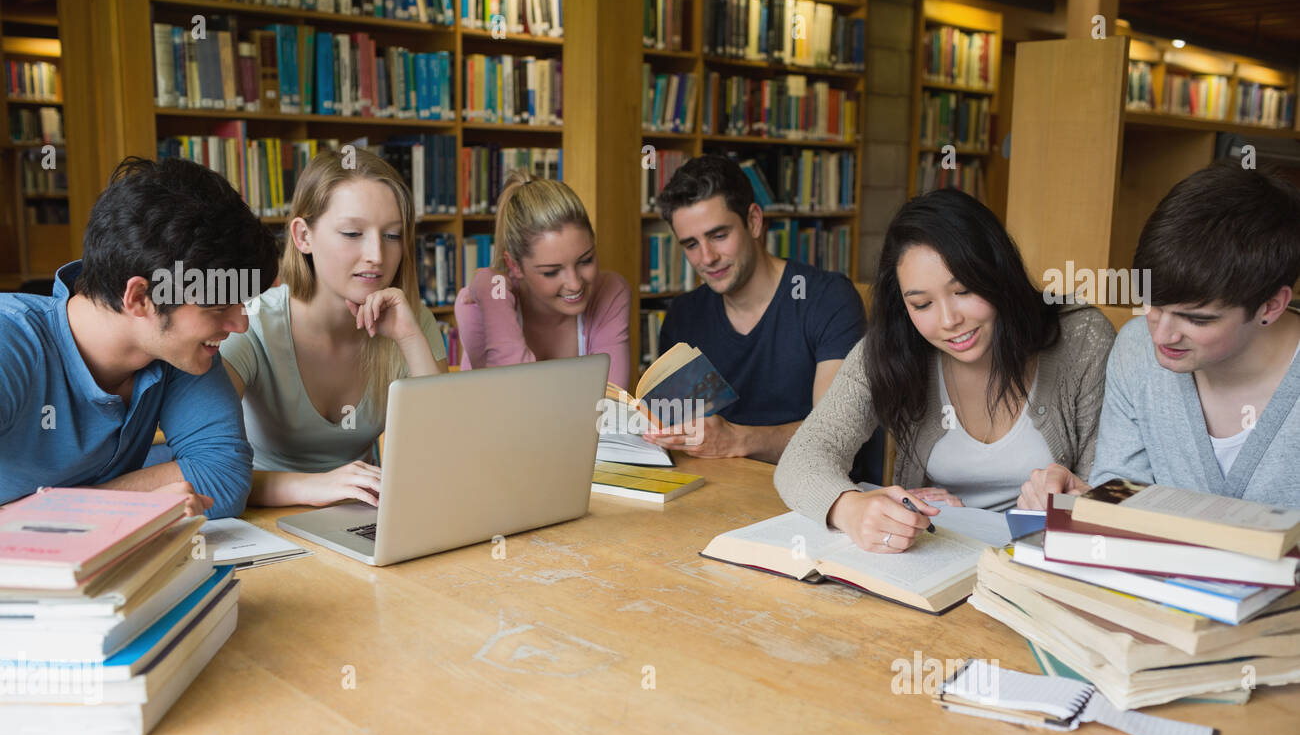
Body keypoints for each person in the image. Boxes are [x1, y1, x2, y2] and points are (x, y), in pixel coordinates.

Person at [774, 187, 1116, 554]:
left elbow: (1118, 491)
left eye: (965, 290)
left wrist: (1081, 499)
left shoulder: (1082, 339)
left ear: (999, 272)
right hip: (937, 560)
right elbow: (804, 456)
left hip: (1046, 567)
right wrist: (849, 507)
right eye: (922, 304)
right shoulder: (889, 348)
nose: (950, 321)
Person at [0, 156, 276, 518]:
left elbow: (223, 478)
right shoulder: (11, 343)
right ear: (140, 298)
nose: (240, 324)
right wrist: (129, 506)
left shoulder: (177, 351)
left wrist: (63, 513)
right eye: (218, 306)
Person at [1020, 162, 1300, 509]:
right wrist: (1086, 499)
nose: (1161, 334)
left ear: (1270, 307)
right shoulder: (1136, 347)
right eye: (1150, 302)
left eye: (1195, 319)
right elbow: (1124, 491)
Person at [222, 149, 449, 508]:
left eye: (391, 235)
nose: (376, 254)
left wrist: (408, 338)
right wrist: (313, 487)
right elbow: (209, 474)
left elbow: (447, 452)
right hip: (259, 520)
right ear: (303, 236)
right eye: (352, 233)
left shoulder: (410, 320)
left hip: (363, 517)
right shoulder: (248, 325)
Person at [647, 154, 865, 464]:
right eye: (691, 245)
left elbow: (834, 436)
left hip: (812, 492)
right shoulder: (683, 316)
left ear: (753, 221)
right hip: (717, 493)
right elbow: (684, 435)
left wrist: (737, 439)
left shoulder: (827, 299)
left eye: (719, 236)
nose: (706, 258)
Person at [454, 169, 631, 389]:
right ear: (514, 265)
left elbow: (611, 409)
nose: (575, 283)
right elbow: (508, 400)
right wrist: (494, 300)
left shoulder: (610, 291)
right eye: (551, 272)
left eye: (585, 261)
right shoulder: (477, 304)